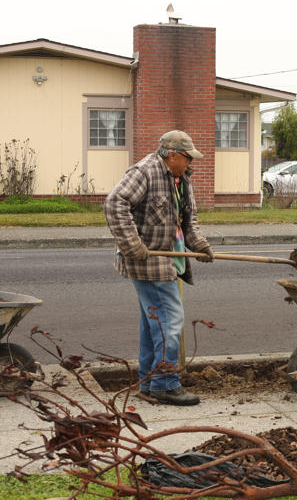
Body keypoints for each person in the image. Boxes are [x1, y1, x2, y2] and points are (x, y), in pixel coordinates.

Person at [104, 130, 214, 406]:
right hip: (149, 263)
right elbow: (115, 203)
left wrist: (199, 245)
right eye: (188, 158)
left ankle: (149, 382)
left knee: (154, 323)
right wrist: (132, 244)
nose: (191, 163)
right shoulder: (145, 172)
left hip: (169, 259)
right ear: (173, 155)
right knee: (170, 319)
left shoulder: (181, 178)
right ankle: (165, 384)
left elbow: (188, 218)